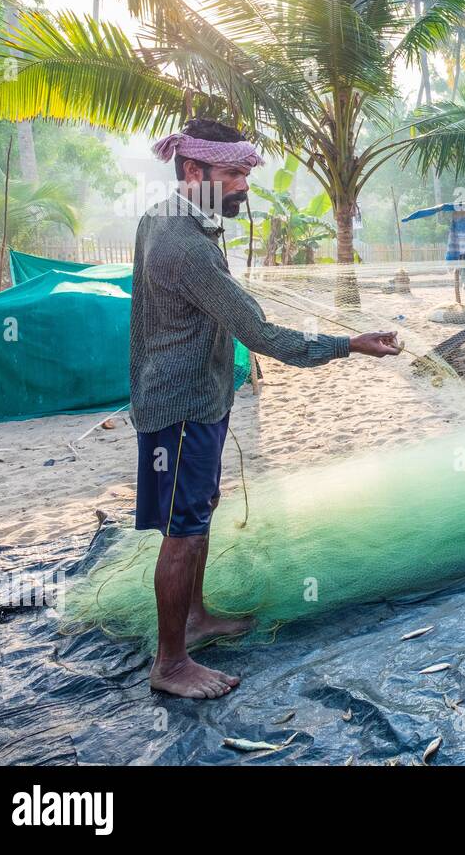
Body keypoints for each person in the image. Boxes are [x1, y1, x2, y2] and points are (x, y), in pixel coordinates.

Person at [135, 119, 403, 699]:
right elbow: (256, 332)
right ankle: (170, 663)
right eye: (233, 174)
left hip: (192, 394)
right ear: (193, 171)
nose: (244, 187)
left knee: (199, 510)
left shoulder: (168, 217)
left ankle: (197, 619)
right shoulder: (186, 246)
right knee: (183, 531)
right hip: (181, 406)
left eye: (245, 175)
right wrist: (348, 345)